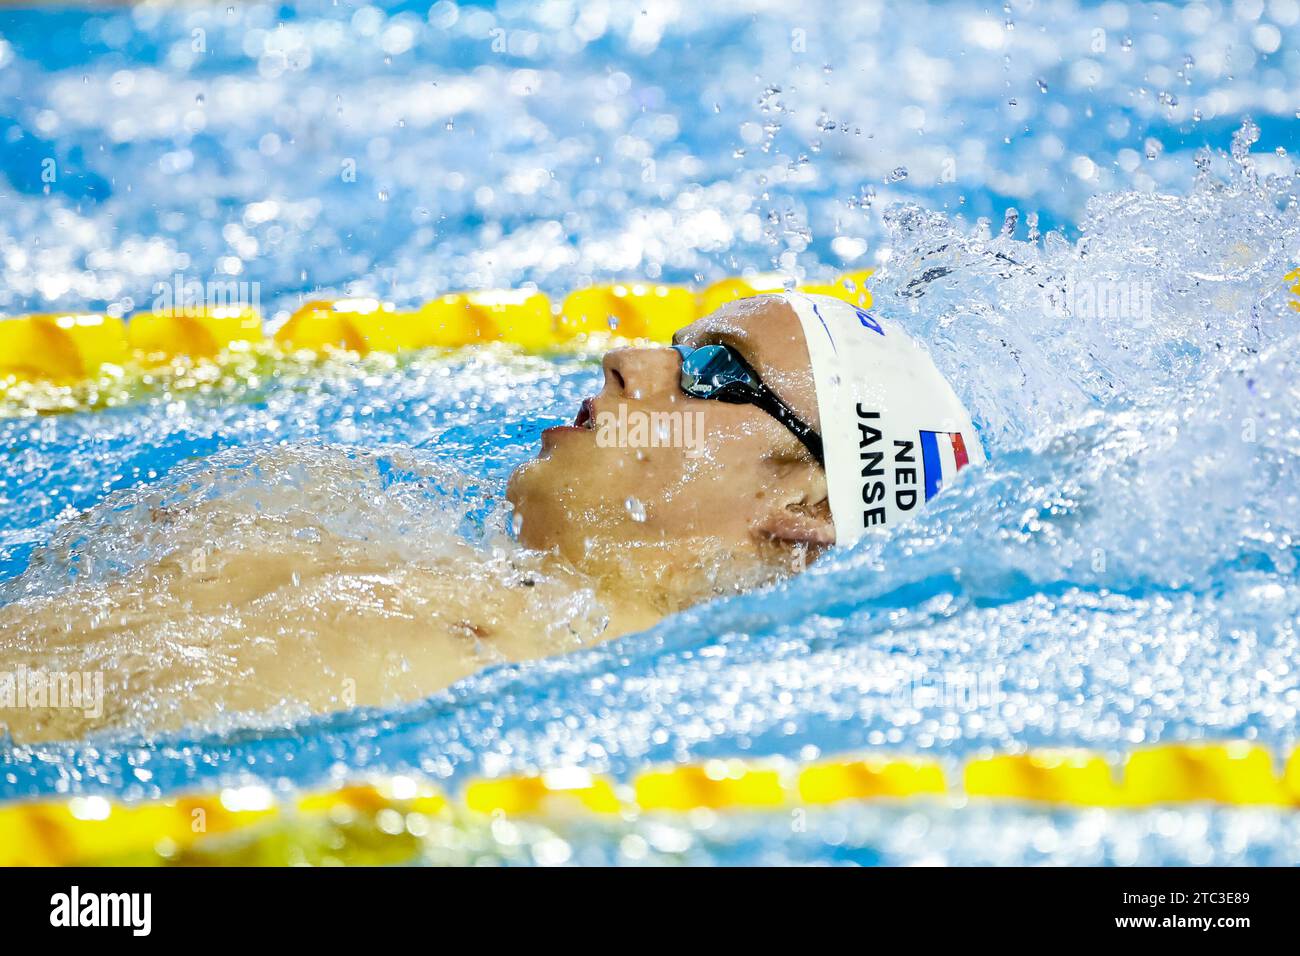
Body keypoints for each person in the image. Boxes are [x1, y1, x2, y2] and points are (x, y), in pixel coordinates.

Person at [0, 293, 981, 743]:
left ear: (804, 512)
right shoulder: (450, 573)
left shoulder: (446, 648)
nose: (630, 360)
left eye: (716, 375)